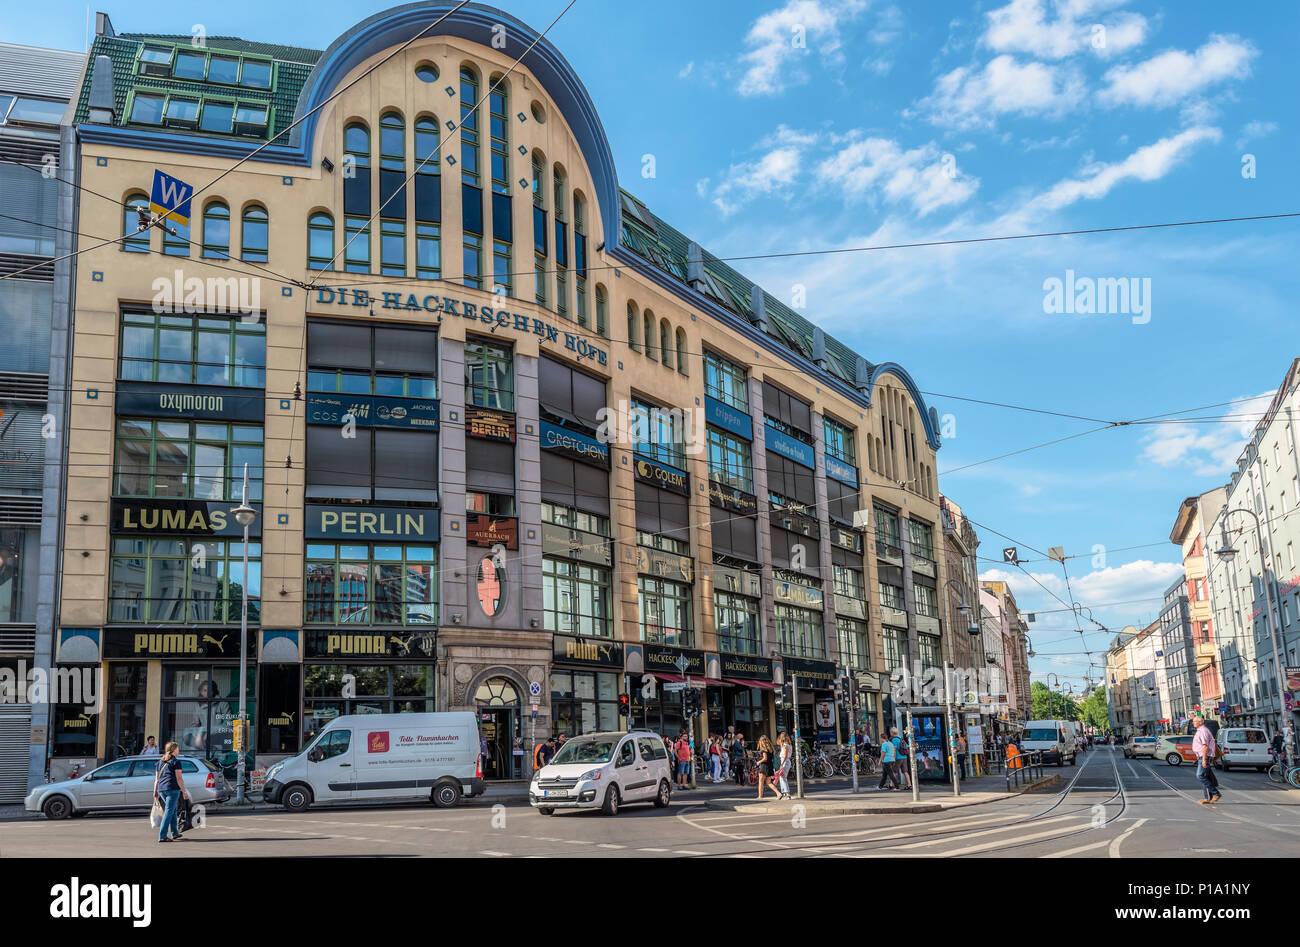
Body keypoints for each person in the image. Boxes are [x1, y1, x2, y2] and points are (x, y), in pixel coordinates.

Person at [152, 742, 188, 843]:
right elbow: (179, 778)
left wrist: (155, 791)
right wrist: (184, 791)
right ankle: (162, 836)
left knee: (172, 810)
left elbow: (156, 779)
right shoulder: (175, 762)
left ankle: (174, 833)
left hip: (162, 789)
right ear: (174, 750)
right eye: (177, 748)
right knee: (168, 811)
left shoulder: (160, 762)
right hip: (172, 789)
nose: (178, 750)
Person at [1192, 713, 1221, 805]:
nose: (1193, 723)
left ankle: (1215, 793)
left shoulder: (1203, 731)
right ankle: (1208, 798)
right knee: (1205, 776)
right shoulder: (1201, 730)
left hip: (1204, 756)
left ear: (1200, 722)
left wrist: (1204, 759)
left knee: (1200, 775)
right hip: (1202, 756)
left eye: (1194, 721)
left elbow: (1205, 747)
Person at [756, 735, 777, 799]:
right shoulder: (771, 749)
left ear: (761, 742)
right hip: (770, 766)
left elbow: (765, 758)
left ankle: (760, 796)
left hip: (764, 766)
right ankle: (778, 793)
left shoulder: (763, 750)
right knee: (769, 782)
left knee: (761, 782)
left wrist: (759, 762)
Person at [774, 732, 793, 799]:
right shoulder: (789, 745)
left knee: (783, 778)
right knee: (782, 777)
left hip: (784, 762)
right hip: (787, 761)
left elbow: (785, 756)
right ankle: (785, 793)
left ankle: (787, 794)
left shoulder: (785, 746)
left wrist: (781, 764)